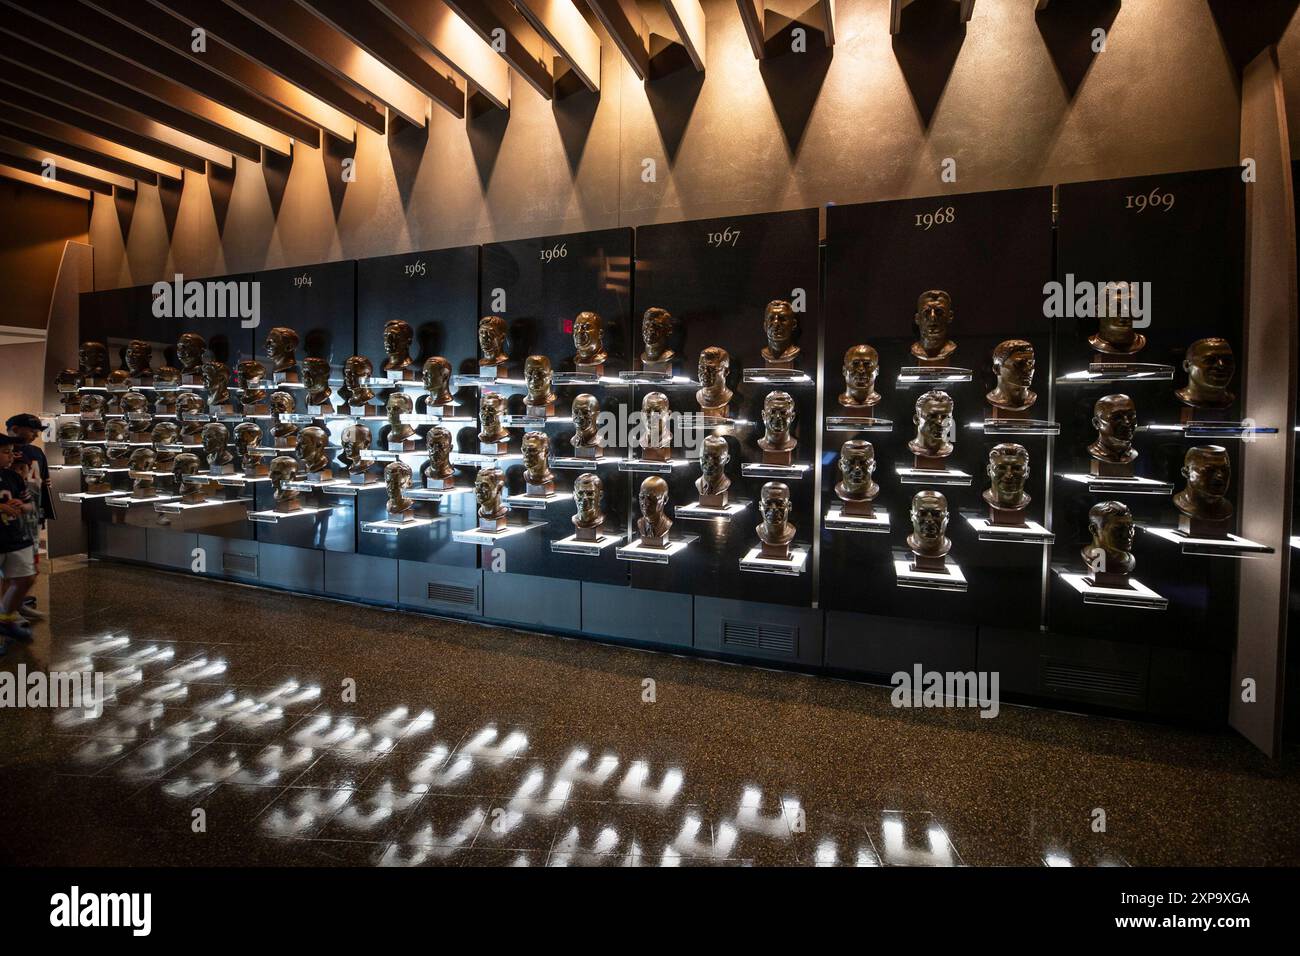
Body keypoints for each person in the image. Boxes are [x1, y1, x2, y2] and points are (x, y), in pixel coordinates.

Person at [0, 434, 37, 643]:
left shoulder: (12, 477)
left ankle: (5, 618)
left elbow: (29, 504)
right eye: (6, 452)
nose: (11, 456)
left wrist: (20, 506)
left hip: (14, 536)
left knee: (26, 578)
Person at [6, 413, 54, 523]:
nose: (36, 436)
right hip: (9, 512)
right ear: (15, 429)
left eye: (37, 432)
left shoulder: (37, 452)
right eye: (32, 431)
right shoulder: (3, 454)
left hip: (34, 512)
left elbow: (45, 483)